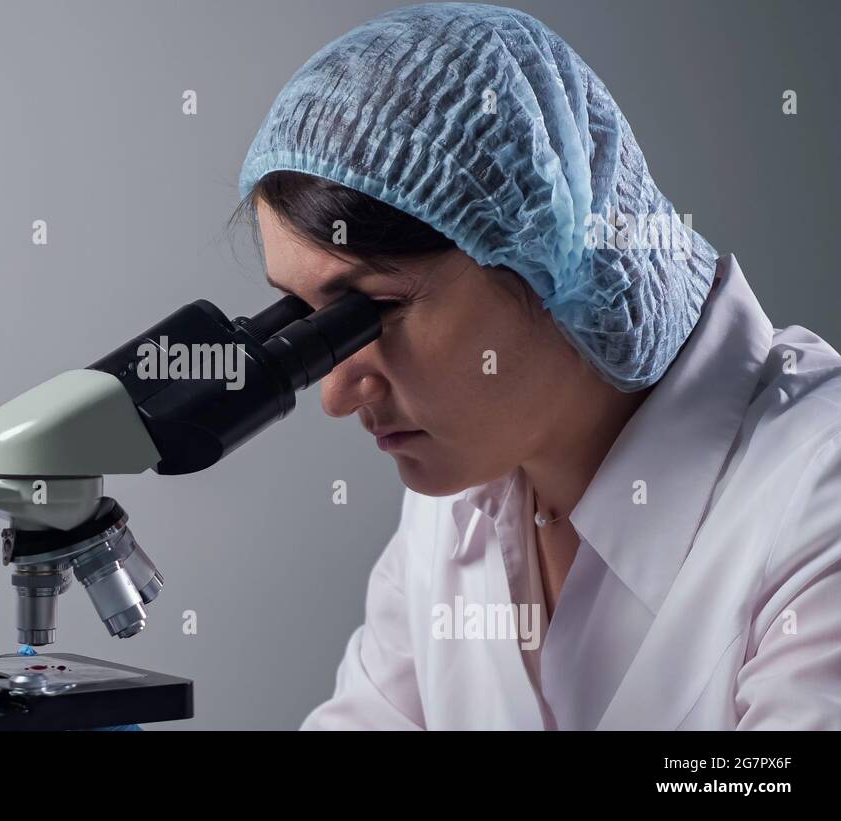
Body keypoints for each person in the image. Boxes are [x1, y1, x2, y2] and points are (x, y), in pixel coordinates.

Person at [232, 3, 841, 729]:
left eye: (369, 312)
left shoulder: (814, 496)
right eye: (305, 322)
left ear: (541, 245)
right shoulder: (455, 505)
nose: (335, 392)